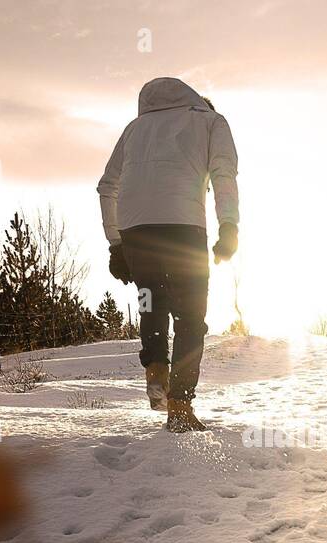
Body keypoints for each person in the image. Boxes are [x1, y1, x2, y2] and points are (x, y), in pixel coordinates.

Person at [97, 77, 239, 432]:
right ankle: (179, 406)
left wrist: (117, 244)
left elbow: (106, 186)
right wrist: (229, 227)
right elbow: (224, 173)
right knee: (190, 318)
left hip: (136, 230)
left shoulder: (135, 127)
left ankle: (156, 370)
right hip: (183, 227)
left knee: (150, 301)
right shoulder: (212, 121)